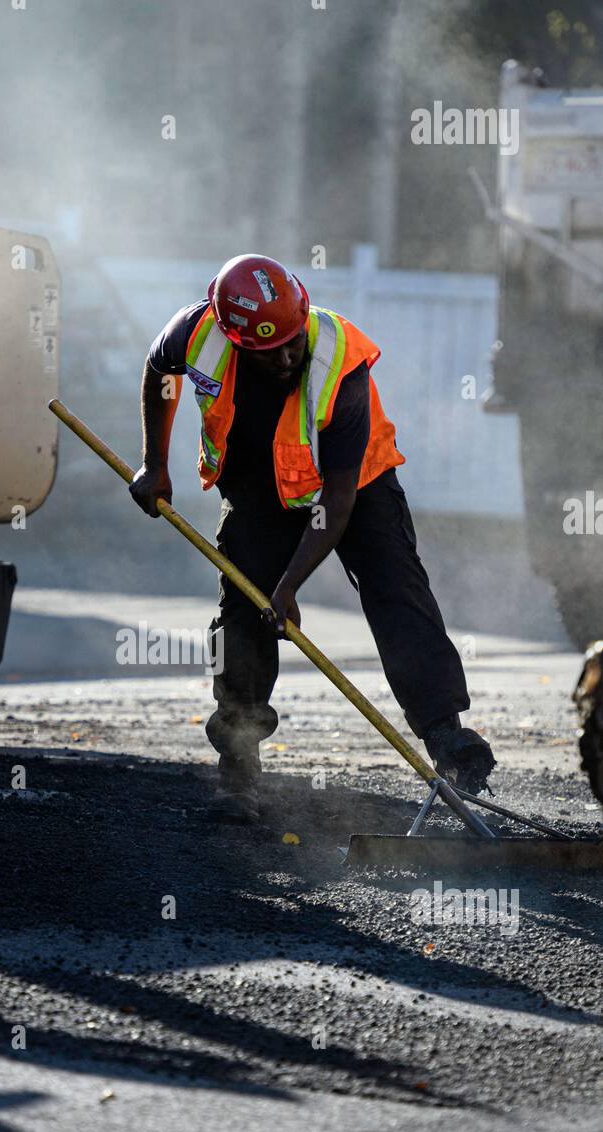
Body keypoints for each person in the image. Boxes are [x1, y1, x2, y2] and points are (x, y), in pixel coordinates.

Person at [132, 254, 496, 822]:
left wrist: (290, 585)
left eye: (291, 343)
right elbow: (159, 372)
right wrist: (154, 465)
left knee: (395, 587)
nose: (283, 359)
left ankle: (448, 739)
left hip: (356, 485)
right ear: (235, 337)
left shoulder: (340, 364)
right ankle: (239, 770)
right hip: (261, 488)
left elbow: (338, 503)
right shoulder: (195, 332)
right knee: (242, 611)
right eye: (266, 350)